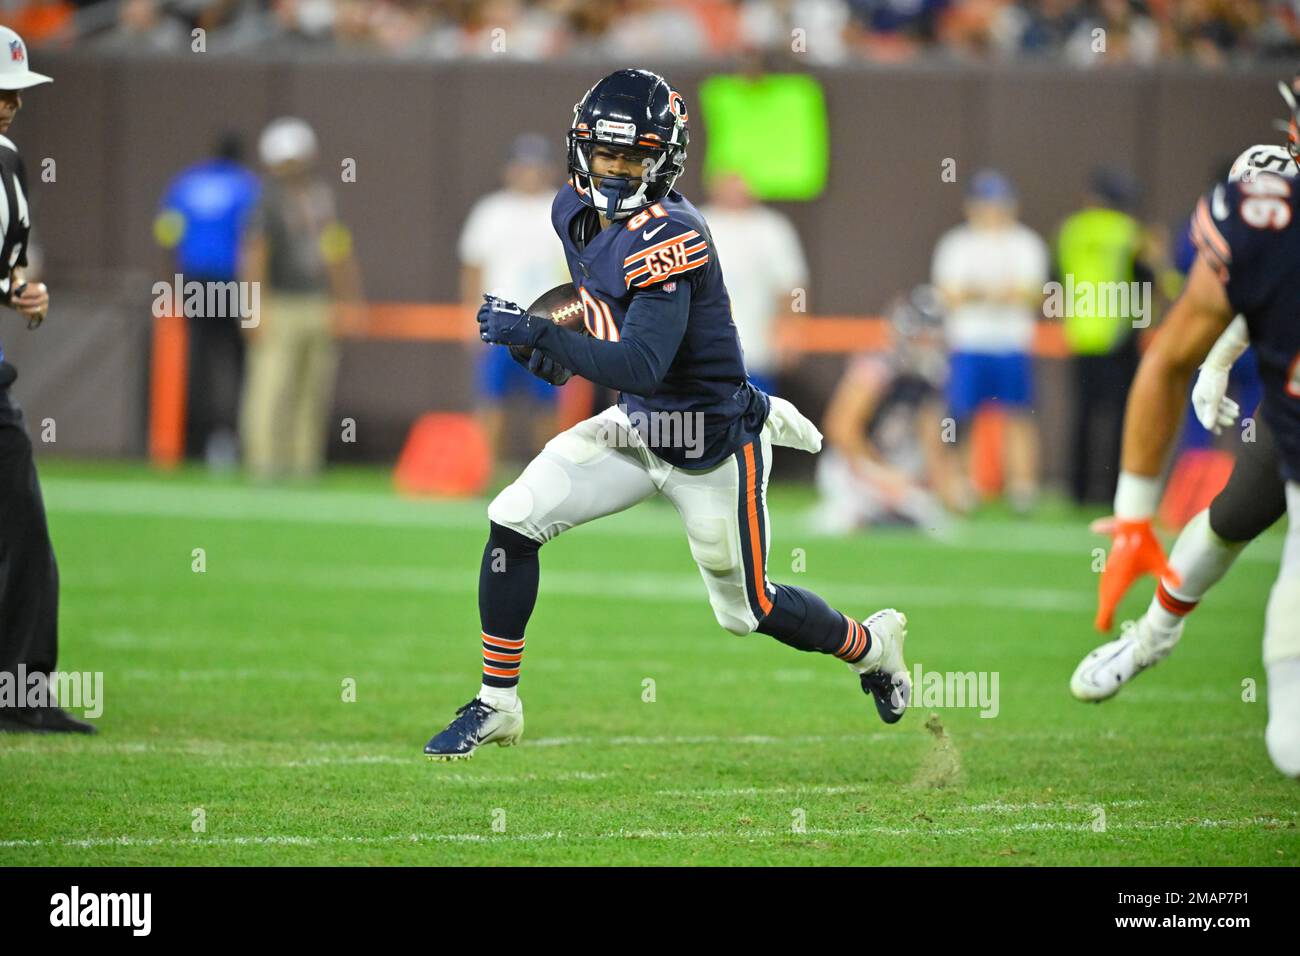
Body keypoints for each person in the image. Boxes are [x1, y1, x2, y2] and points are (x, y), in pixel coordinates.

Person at [424, 69, 913, 760]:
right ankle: (498, 703)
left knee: (748, 611)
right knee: (512, 519)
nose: (615, 171)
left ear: (665, 159)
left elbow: (644, 362)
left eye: (632, 157)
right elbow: (604, 304)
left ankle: (872, 647)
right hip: (638, 428)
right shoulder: (573, 209)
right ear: (581, 149)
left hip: (712, 444)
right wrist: (568, 334)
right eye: (605, 154)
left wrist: (540, 335)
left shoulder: (672, 234)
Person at [1076, 110, 1300, 777]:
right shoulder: (1272, 203)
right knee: (1230, 518)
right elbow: (1256, 288)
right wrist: (1216, 360)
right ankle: (1150, 638)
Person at [0, 26, 91, 734]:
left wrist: (19, 291)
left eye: (15, 94)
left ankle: (22, 693)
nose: (8, 106)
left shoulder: (8, 163)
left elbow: (10, 266)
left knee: (23, 528)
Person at [239, 117, 361, 482]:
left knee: (313, 387)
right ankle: (265, 461)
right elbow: (254, 255)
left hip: (315, 300)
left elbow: (336, 248)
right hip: (280, 302)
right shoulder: (265, 200)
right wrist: (253, 307)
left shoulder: (320, 196)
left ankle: (303, 462)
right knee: (272, 385)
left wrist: (347, 297)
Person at [931, 169, 1047, 513]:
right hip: (968, 343)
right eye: (985, 204)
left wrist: (979, 293)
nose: (992, 211)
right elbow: (949, 294)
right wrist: (994, 293)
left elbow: (1031, 293)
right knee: (961, 417)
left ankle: (1023, 488)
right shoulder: (956, 244)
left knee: (1019, 415)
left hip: (1011, 343)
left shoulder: (1026, 243)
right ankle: (962, 485)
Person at [459, 133, 570, 462]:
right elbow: (473, 266)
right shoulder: (491, 211)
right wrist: (471, 315)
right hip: (500, 320)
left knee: (546, 404)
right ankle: (486, 471)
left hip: (545, 322)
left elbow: (573, 269)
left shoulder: (561, 209)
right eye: (523, 166)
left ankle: (546, 475)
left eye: (536, 167)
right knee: (492, 401)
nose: (530, 173)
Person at [155, 131, 260, 469]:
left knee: (198, 362)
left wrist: (174, 277)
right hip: (230, 282)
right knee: (238, 363)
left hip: (194, 280)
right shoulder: (246, 186)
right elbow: (253, 239)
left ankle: (193, 443)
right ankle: (230, 441)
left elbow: (167, 233)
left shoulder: (187, 183)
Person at [813, 285, 954, 536]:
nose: (931, 342)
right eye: (925, 335)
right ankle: (859, 512)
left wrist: (948, 485)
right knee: (846, 520)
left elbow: (932, 439)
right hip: (854, 464)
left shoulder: (929, 377)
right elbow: (840, 428)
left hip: (895, 463)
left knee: (934, 517)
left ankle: (879, 514)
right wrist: (877, 472)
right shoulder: (878, 367)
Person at [1056, 167, 1154, 505]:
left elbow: (1055, 278)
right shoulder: (1129, 232)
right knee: (1121, 417)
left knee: (1082, 415)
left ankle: (1077, 490)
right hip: (1120, 335)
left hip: (1082, 334)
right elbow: (1149, 280)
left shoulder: (1070, 230)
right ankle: (1113, 489)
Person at [698, 169, 808, 396]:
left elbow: (796, 289)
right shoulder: (696, 222)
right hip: (700, 356)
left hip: (755, 356)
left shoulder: (772, 228)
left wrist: (793, 330)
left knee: (754, 424)